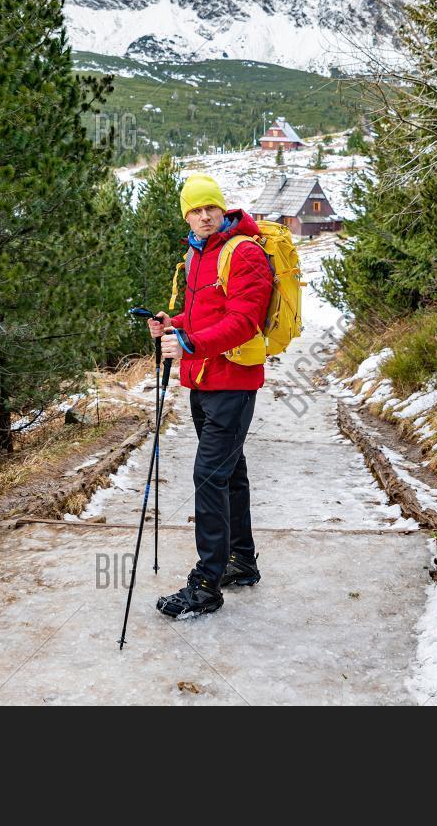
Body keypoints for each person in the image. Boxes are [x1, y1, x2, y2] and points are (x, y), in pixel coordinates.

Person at [148, 173, 273, 618]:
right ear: (186, 214)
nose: (204, 216)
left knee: (208, 476)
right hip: (203, 381)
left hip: (234, 382)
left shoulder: (245, 253)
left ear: (223, 209)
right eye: (195, 209)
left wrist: (189, 344)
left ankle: (206, 585)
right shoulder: (199, 253)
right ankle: (240, 562)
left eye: (210, 208)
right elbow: (205, 314)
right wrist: (175, 322)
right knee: (229, 472)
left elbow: (244, 320)